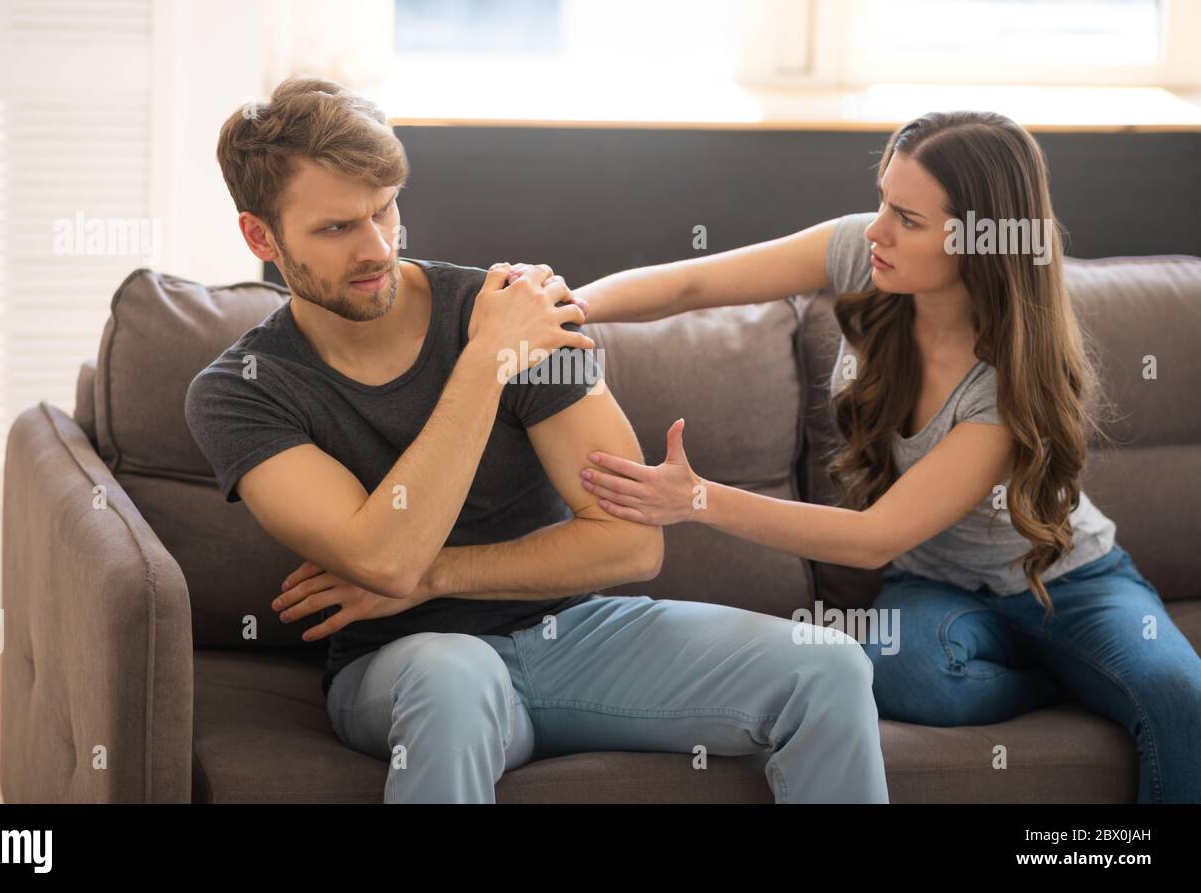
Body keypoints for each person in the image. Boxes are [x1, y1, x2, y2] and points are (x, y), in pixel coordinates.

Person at [183, 76, 889, 804]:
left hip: (579, 634)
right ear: (260, 236)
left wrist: (436, 576)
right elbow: (385, 558)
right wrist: (486, 362)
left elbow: (631, 544)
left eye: (384, 209)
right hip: (406, 661)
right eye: (335, 228)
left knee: (827, 666)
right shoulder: (243, 390)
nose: (376, 248)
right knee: (453, 679)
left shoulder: (518, 309)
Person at [556, 110, 1201, 803]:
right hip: (935, 584)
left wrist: (696, 499)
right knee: (912, 675)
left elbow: (872, 540)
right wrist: (568, 309)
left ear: (980, 242)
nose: (875, 230)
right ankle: (1058, 676)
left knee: (1177, 695)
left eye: (908, 219)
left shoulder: (1006, 386)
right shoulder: (858, 256)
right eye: (882, 201)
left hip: (1068, 581)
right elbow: (693, 285)